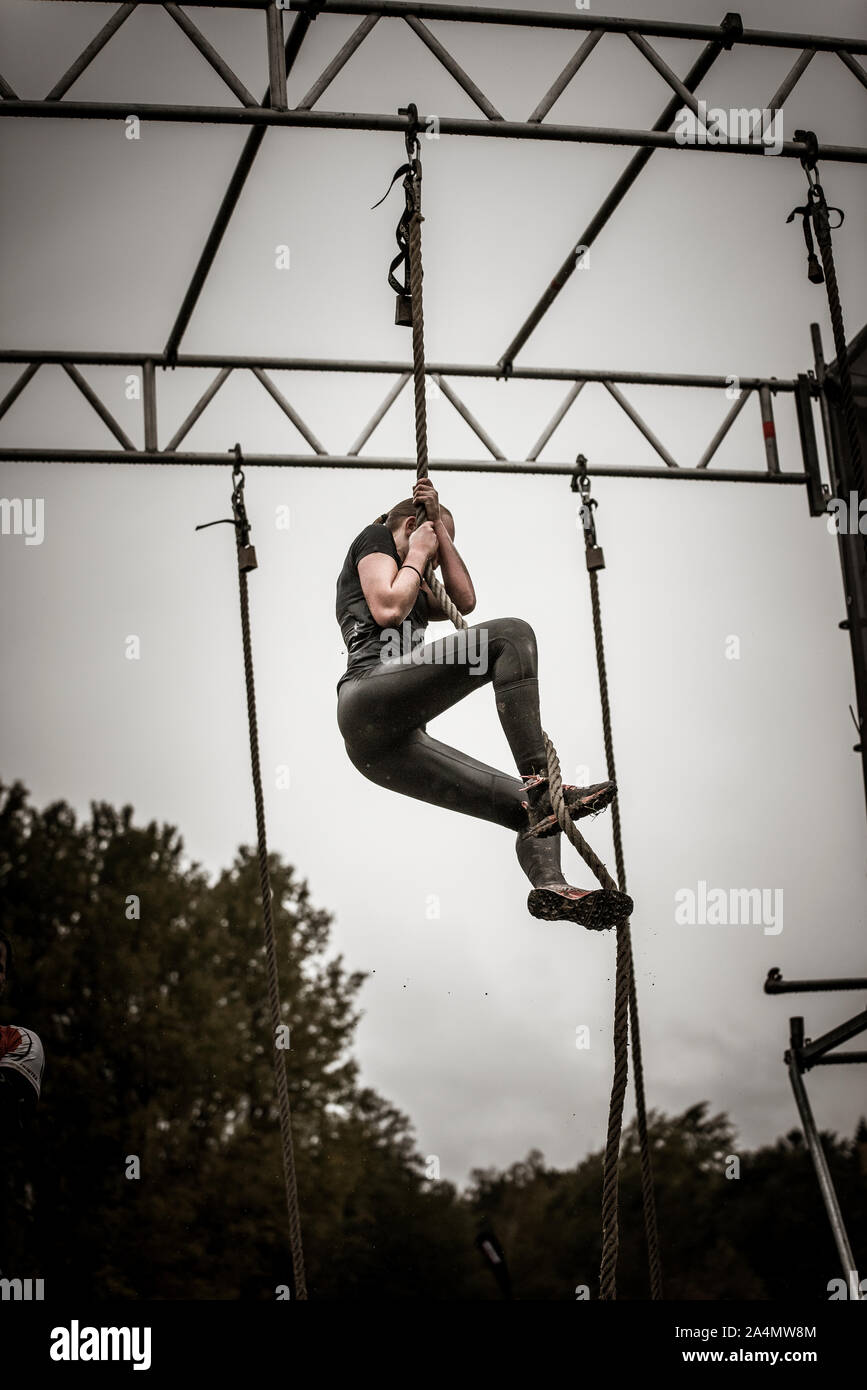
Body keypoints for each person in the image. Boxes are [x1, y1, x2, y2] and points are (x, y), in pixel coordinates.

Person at [334, 479, 633, 929]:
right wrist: (419, 548)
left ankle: (551, 884)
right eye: (435, 550)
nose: (432, 563)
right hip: (367, 696)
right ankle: (542, 787)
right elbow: (389, 608)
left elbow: (465, 601)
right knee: (510, 636)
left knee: (524, 812)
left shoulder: (417, 575)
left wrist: (442, 539)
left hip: (386, 749)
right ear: (412, 527)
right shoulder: (375, 540)